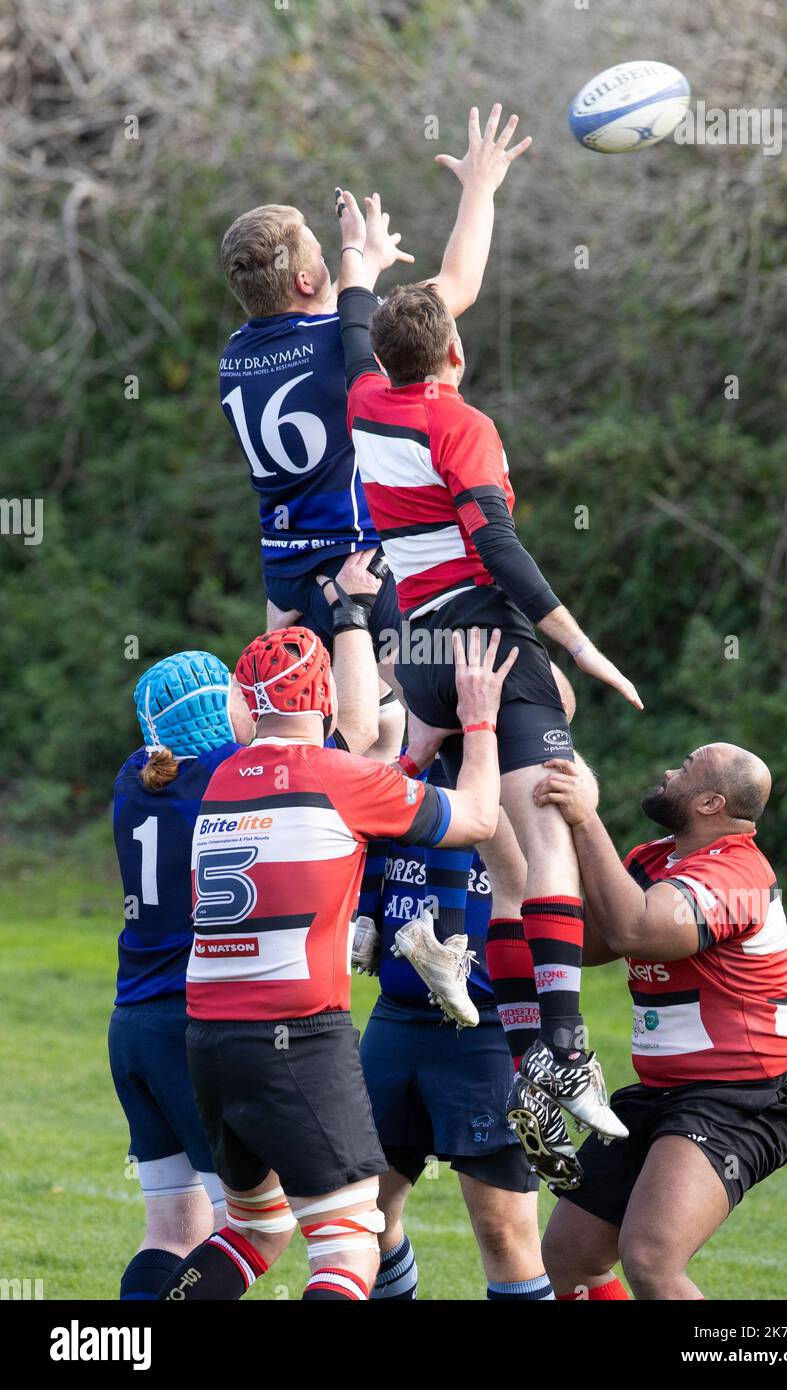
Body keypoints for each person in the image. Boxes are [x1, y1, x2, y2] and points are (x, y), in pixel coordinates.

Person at [334, 193, 643, 1184]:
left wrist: (367, 257)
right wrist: (579, 646)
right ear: (452, 356)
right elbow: (499, 547)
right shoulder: (456, 423)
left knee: (498, 867)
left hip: (419, 644)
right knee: (545, 832)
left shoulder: (362, 397)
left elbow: (355, 317)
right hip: (484, 641)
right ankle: (563, 1045)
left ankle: (483, 1003)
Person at [160, 624, 516, 1301]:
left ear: (245, 701)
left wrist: (407, 761)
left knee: (254, 1231)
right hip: (297, 1037)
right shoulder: (338, 777)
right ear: (323, 693)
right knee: (350, 1244)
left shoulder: (224, 779)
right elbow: (475, 818)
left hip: (208, 1038)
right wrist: (481, 724)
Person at [217, 103, 531, 655]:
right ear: (311, 280)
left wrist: (366, 270)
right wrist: (480, 187)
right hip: (359, 570)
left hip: (288, 576)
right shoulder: (339, 343)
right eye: (323, 251)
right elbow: (460, 283)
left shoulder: (235, 355)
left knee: (335, 730)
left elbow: (323, 318)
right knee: (448, 712)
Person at [534, 743, 787, 1300]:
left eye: (685, 769)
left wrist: (586, 818)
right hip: (665, 1090)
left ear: (711, 802)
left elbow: (637, 932)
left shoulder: (737, 872)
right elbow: (595, 942)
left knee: (652, 1258)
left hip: (745, 1093)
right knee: (570, 1255)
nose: (668, 771)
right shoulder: (654, 858)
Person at [357, 761, 554, 1301]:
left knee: (502, 1229)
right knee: (362, 1216)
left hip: (489, 1028)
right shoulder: (409, 767)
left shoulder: (530, 786)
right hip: (396, 1018)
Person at [110, 650, 253, 1299]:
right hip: (186, 1021)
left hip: (132, 1025)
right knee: (243, 1225)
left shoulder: (133, 777)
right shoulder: (227, 777)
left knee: (171, 1225)